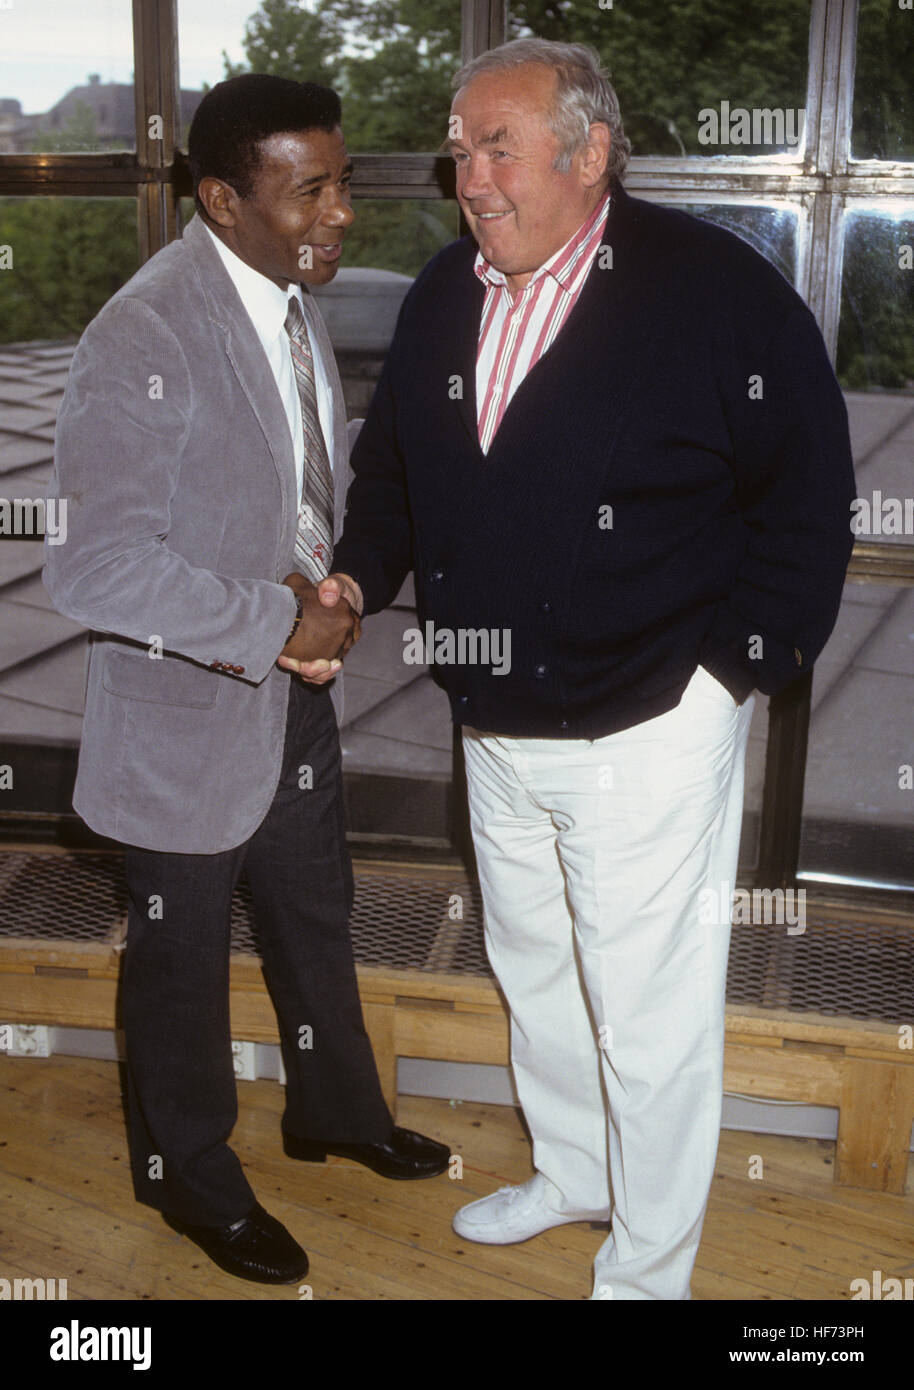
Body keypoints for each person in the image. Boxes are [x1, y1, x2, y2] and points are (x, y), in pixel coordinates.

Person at [321, 39, 856, 1300]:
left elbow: (808, 495)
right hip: (490, 719)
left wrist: (732, 674)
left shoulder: (712, 290)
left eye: (495, 146)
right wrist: (352, 579)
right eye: (459, 150)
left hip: (651, 725)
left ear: (589, 151)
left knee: (649, 1012)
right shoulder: (445, 292)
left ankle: (650, 1265)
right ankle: (574, 1174)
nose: (471, 177)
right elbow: (392, 479)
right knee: (535, 968)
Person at [43, 73, 448, 1289]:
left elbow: (272, 491)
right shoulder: (145, 330)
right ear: (221, 198)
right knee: (178, 966)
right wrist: (272, 621)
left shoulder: (285, 299)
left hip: (290, 698)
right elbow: (95, 565)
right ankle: (188, 1181)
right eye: (307, 190)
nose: (338, 215)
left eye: (339, 183)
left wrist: (318, 597)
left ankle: (333, 1111)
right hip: (187, 716)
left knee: (312, 917)